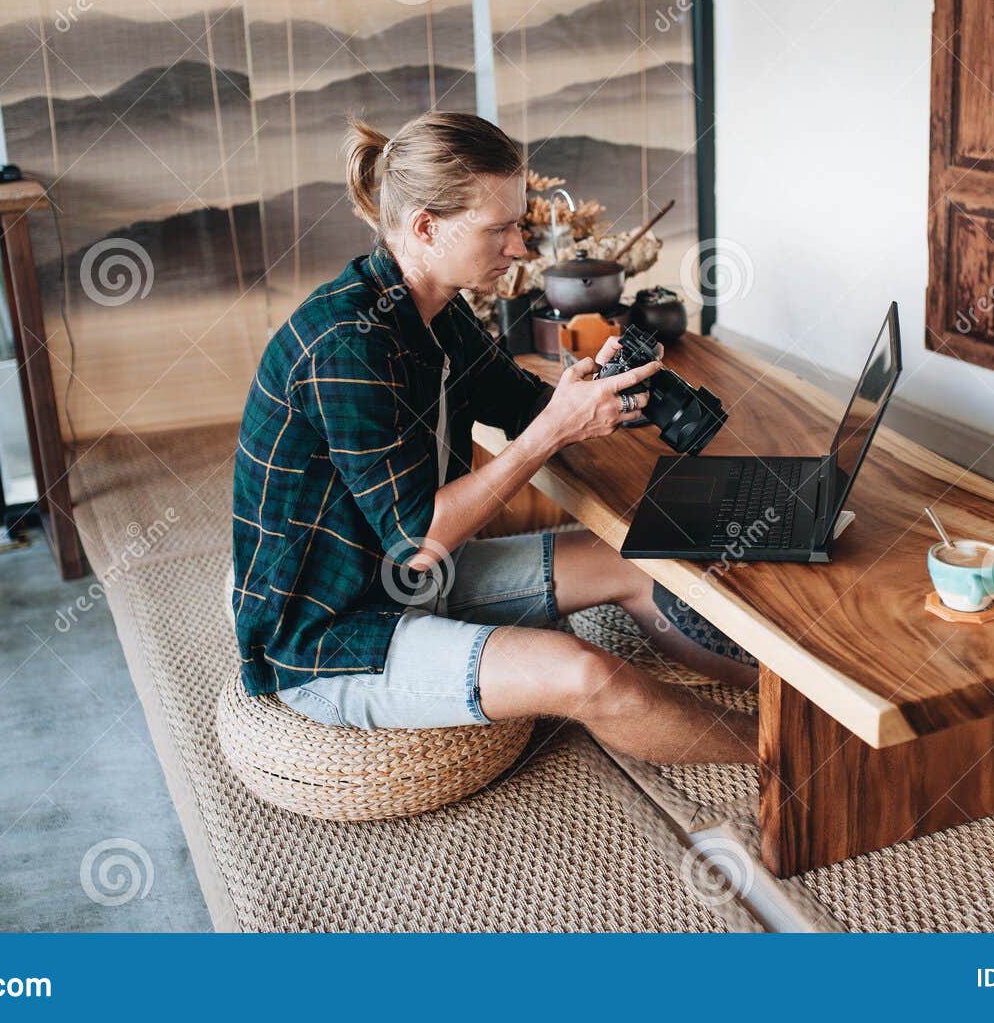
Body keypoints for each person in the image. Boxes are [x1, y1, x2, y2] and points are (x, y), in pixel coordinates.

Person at [231, 111, 755, 764]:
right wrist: (547, 433)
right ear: (425, 227)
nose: (521, 249)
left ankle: (795, 703)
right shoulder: (347, 346)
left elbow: (523, 403)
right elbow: (421, 539)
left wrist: (607, 392)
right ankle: (782, 756)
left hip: (405, 579)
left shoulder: (434, 309)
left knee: (638, 560)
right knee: (586, 674)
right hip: (334, 633)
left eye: (519, 225)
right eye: (499, 229)